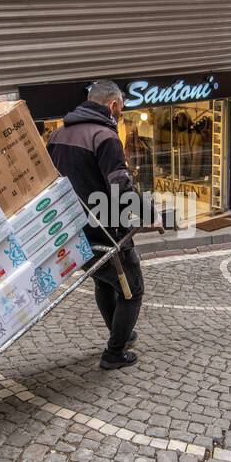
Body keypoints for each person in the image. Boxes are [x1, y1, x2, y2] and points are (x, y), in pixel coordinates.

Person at [46, 80, 145, 370]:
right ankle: (114, 352)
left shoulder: (57, 135)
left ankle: (120, 333)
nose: (122, 113)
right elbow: (119, 187)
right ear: (112, 105)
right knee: (133, 290)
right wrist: (147, 212)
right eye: (122, 108)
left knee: (102, 280)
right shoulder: (105, 136)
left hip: (73, 229)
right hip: (107, 229)